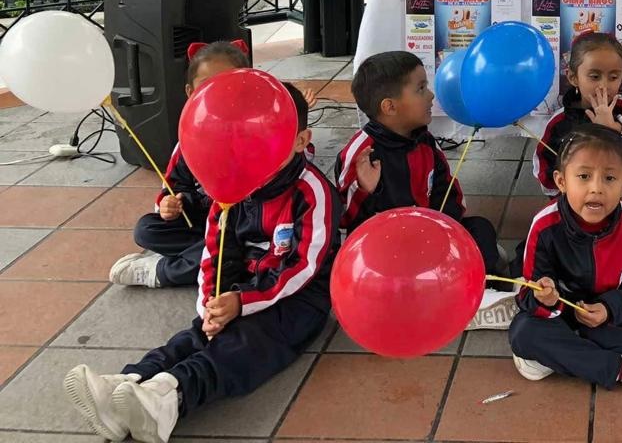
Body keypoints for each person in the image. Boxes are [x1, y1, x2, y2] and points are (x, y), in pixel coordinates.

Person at [64, 84, 337, 443]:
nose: (256, 151)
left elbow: (302, 267)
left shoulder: (311, 190)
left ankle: (170, 397)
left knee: (246, 343)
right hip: (242, 289)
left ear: (301, 140)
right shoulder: (235, 182)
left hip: (299, 298)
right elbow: (215, 248)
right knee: (198, 333)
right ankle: (128, 384)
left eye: (269, 139)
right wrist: (211, 303)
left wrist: (244, 302)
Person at [336, 51, 514, 328]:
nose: (431, 96)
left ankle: (484, 281)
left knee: (480, 228)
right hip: (388, 253)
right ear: (390, 107)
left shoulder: (425, 140)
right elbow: (343, 218)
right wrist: (364, 190)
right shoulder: (362, 152)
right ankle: (474, 298)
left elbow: (447, 187)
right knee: (398, 283)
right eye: (421, 89)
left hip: (431, 235)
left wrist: (450, 228)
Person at [508, 124, 622, 390]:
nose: (596, 189)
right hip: (563, 313)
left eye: (609, 179)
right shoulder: (544, 226)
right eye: (583, 176)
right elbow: (529, 294)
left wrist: (609, 308)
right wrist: (544, 297)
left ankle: (561, 354)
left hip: (613, 317)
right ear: (561, 181)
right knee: (524, 333)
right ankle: (619, 368)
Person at [109, 41, 251, 289]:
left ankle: (162, 271)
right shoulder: (190, 139)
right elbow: (173, 186)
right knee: (146, 230)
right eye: (207, 85)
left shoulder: (257, 131)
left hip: (246, 228)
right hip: (202, 222)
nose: (217, 92)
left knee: (239, 250)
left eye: (228, 83)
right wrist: (169, 205)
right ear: (190, 92)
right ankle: (208, 254)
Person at [532, 33, 622, 199]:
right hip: (575, 205)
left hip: (620, 203)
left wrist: (616, 129)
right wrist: (563, 195)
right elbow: (543, 163)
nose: (604, 86)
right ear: (573, 77)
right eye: (594, 77)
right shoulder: (559, 122)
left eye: (613, 77)